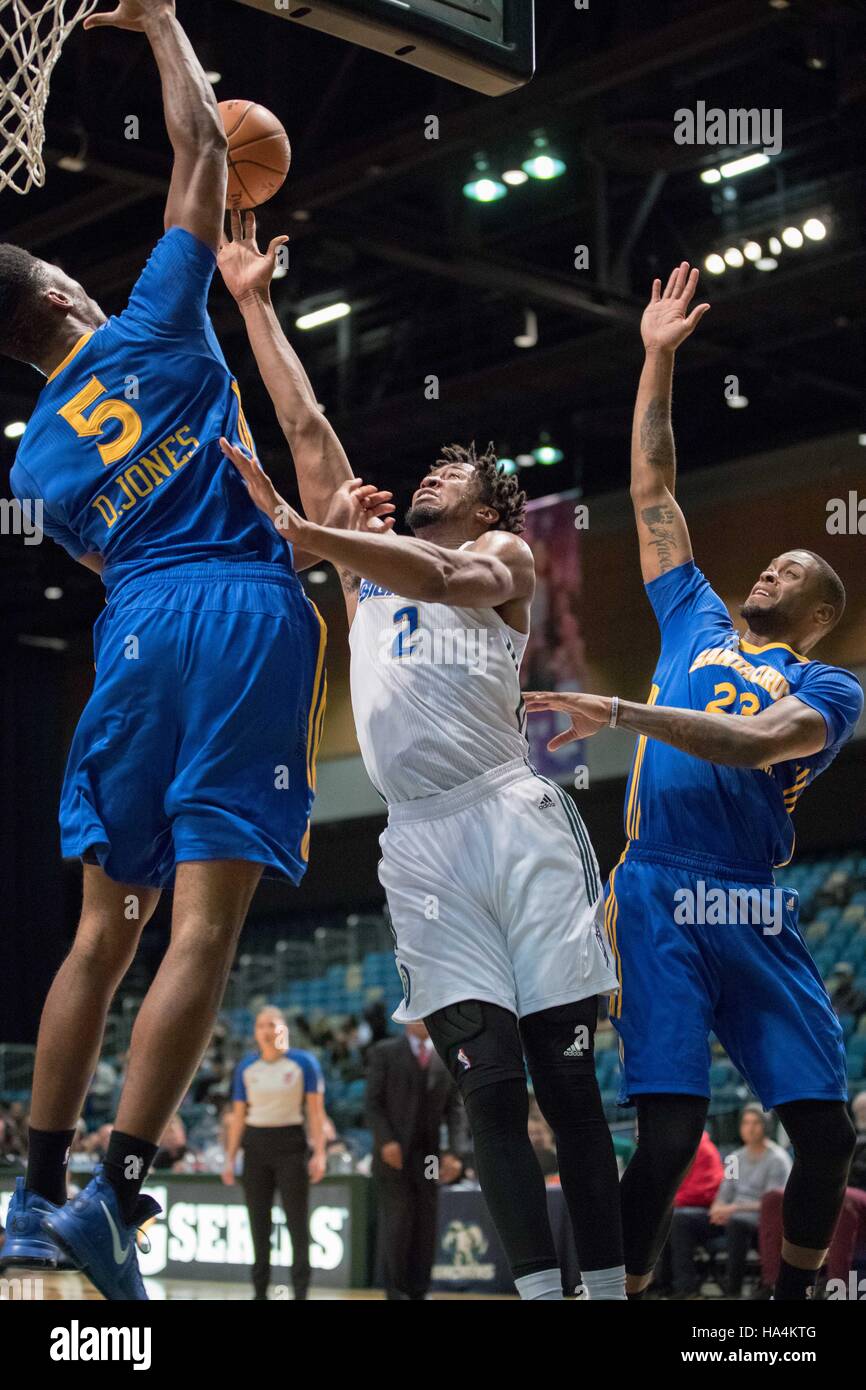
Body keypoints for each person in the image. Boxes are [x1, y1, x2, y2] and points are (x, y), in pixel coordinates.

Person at [213, 212, 625, 1301]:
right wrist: (254, 300)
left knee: (566, 1083)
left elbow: (441, 582)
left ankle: (612, 1289)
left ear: (489, 503)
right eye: (432, 465)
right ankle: (540, 1296)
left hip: (510, 816)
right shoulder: (362, 573)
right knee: (486, 1085)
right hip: (425, 845)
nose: (431, 472)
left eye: (453, 466)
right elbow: (304, 434)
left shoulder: (499, 552)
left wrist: (317, 538)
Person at [0, 2, 325, 1301]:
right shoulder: (156, 316)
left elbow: (90, 558)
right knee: (203, 925)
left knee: (102, 929)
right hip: (240, 610)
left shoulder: (33, 457)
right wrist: (161, 22)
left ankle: (33, 1193)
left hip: (130, 631)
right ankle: (117, 1193)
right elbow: (197, 153)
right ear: (67, 295)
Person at [525, 263, 864, 1302]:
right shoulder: (695, 619)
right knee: (667, 1133)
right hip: (658, 888)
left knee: (826, 1134)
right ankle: (620, 1296)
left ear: (817, 610)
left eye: (793, 573)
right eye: (768, 564)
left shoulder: (828, 685)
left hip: (749, 897)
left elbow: (756, 744)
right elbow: (651, 489)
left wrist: (622, 713)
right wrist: (656, 359)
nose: (768, 571)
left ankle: (789, 1312)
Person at [223, 1007, 326, 1301]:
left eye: (272, 1024)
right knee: (258, 1224)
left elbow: (316, 1113)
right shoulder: (246, 1067)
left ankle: (301, 1292)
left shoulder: (303, 1063)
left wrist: (319, 1153)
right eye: (260, 1025)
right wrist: (230, 1158)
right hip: (255, 1146)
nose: (267, 1030)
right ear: (255, 1032)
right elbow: (238, 1116)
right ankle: (259, 1293)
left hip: (291, 1144)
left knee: (297, 1222)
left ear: (284, 1029)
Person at [366, 1021, 465, 1300]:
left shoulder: (447, 1054)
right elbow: (373, 1103)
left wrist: (455, 1152)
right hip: (392, 1155)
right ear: (406, 1018)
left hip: (430, 1157)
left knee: (425, 1223)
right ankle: (396, 1292)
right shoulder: (383, 1052)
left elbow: (456, 1109)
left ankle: (421, 1290)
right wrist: (385, 1141)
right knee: (397, 1223)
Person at [671, 1107, 790, 1299]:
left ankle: (733, 1291)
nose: (750, 1128)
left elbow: (772, 1204)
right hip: (731, 1215)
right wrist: (718, 1208)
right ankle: (685, 1288)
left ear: (766, 1126)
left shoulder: (777, 1159)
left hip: (759, 1220)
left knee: (737, 1222)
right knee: (681, 1218)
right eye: (746, 1123)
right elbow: (724, 1193)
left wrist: (733, 1209)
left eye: (755, 1123)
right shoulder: (735, 1158)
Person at [759, 1089, 866, 1295]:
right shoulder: (844, 1131)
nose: (862, 1113)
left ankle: (837, 1289)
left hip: (858, 1191)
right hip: (840, 1184)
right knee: (773, 1197)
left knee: (845, 1198)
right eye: (860, 1109)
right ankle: (772, 1284)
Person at [655, 1128, 723, 1297]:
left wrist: (671, 1202)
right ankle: (662, 1282)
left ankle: (685, 1286)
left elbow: (705, 1191)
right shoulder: (680, 1148)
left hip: (705, 1212)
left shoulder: (703, 1150)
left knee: (676, 1218)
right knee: (659, 1217)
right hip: (685, 1208)